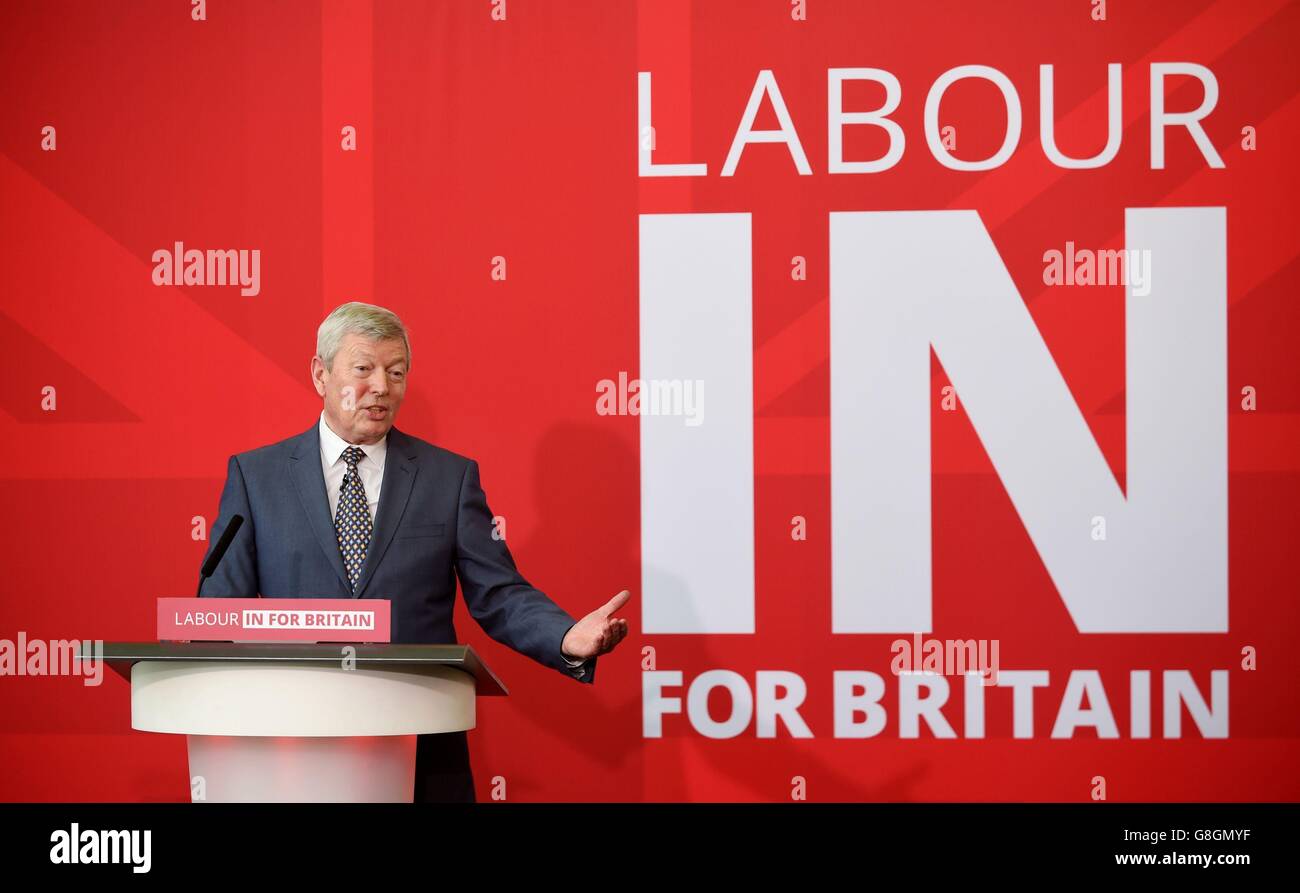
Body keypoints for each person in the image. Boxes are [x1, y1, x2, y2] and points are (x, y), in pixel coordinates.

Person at [198, 300, 630, 801]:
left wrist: (565, 636)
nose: (382, 386)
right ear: (320, 374)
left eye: (396, 371)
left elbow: (499, 594)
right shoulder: (257, 477)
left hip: (422, 741)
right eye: (363, 369)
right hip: (296, 743)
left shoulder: (448, 478)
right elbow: (219, 614)